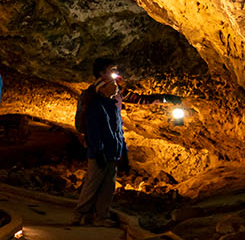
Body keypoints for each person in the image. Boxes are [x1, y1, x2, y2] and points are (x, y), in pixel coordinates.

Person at [72, 57, 175, 227]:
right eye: (111, 71)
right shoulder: (94, 100)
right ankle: (80, 215)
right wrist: (97, 150)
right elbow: (93, 128)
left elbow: (136, 102)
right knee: (93, 182)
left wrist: (163, 98)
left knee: (108, 185)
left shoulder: (115, 98)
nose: (115, 76)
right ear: (101, 74)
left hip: (113, 149)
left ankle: (100, 217)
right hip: (100, 150)